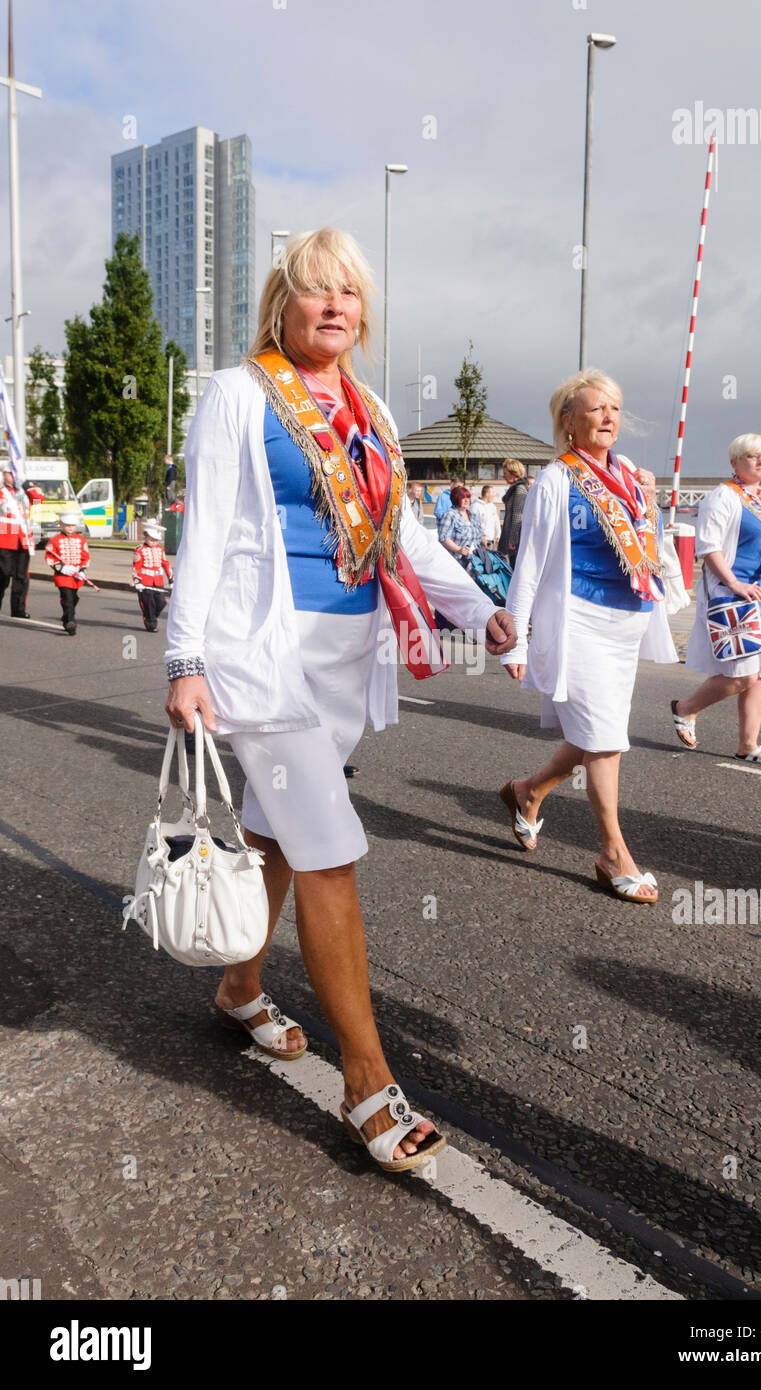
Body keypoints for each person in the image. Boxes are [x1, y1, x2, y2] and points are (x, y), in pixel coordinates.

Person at [164, 226, 515, 1173]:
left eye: (348, 294)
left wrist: (474, 608)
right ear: (282, 301)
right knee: (328, 847)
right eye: (315, 290)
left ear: (363, 310)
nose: (333, 306)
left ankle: (240, 987)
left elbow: (403, 531)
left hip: (347, 652)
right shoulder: (238, 395)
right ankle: (367, 1082)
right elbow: (205, 531)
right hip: (259, 654)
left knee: (279, 833)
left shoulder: (372, 412)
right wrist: (183, 658)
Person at [499, 369, 677, 903]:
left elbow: (647, 551)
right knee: (604, 739)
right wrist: (516, 639)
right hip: (580, 621)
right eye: (595, 408)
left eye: (615, 409)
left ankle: (528, 791)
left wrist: (651, 503)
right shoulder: (556, 480)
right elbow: (529, 564)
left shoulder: (629, 476)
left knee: (593, 732)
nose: (607, 417)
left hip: (627, 622)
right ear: (569, 422)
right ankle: (612, 853)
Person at [671, 433, 761, 765]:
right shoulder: (723, 497)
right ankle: (686, 709)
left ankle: (749, 744)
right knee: (742, 674)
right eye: (752, 456)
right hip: (734, 596)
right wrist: (733, 583)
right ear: (734, 462)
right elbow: (708, 547)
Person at [45, 511, 90, 634]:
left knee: (74, 598)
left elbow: (85, 557)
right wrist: (60, 567)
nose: (70, 528)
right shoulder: (54, 540)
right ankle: (71, 621)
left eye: (73, 525)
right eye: (67, 525)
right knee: (67, 598)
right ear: (61, 524)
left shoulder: (81, 540)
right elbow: (49, 558)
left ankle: (66, 617)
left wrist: (82, 569)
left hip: (76, 576)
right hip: (62, 576)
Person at [0, 464, 33, 618]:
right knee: (3, 575)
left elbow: (40, 499)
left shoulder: (25, 493)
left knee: (21, 577)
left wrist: (27, 486)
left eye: (15, 474)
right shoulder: (2, 492)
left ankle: (18, 610)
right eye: (10, 473)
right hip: (5, 540)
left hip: (23, 540)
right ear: (4, 475)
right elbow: (4, 509)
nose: (13, 477)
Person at [132, 520, 173, 632]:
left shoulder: (160, 550)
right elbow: (136, 567)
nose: (154, 542)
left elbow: (166, 564)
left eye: (156, 540)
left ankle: (151, 616)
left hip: (158, 581)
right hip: (145, 582)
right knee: (148, 603)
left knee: (161, 602)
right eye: (151, 540)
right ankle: (151, 624)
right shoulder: (139, 549)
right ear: (145, 536)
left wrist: (170, 579)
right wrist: (137, 581)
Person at [438, 484, 483, 564]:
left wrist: (486, 543)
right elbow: (444, 538)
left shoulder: (472, 515)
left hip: (474, 560)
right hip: (456, 561)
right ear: (456, 499)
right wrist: (458, 550)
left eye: (468, 498)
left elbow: (481, 534)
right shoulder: (449, 514)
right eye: (463, 498)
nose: (466, 500)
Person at [498, 459, 529, 566]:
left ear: (513, 473)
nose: (503, 476)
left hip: (516, 542)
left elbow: (518, 515)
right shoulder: (515, 488)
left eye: (505, 473)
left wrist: (513, 540)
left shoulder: (519, 489)